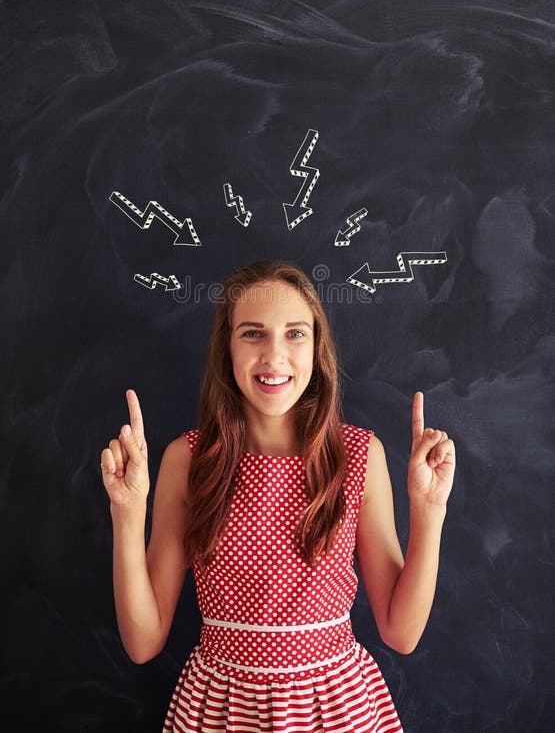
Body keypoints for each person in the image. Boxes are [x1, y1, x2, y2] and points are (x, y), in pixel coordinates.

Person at [100, 259, 456, 732]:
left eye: (294, 333)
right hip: (221, 709)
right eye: (252, 333)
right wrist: (127, 512)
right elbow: (143, 643)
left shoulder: (357, 455)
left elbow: (402, 632)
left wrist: (429, 512)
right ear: (226, 348)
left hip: (335, 708)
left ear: (316, 346)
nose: (274, 356)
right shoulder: (187, 460)